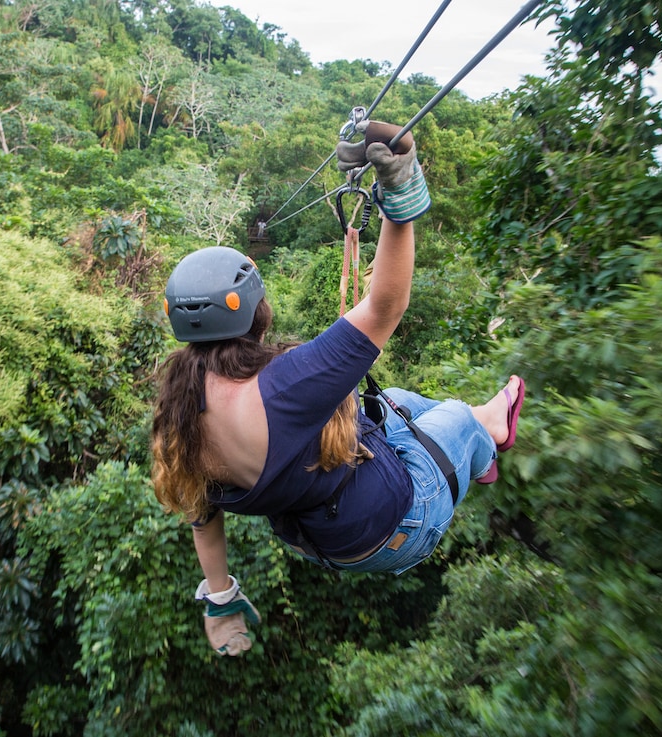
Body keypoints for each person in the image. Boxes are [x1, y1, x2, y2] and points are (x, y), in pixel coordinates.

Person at [151, 121, 525, 656]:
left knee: (392, 403)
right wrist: (399, 191)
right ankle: (483, 433)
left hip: (327, 539)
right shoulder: (286, 386)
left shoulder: (179, 413)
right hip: (403, 521)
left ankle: (469, 440)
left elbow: (202, 519)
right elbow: (385, 306)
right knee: (461, 419)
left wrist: (220, 599)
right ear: (259, 311)